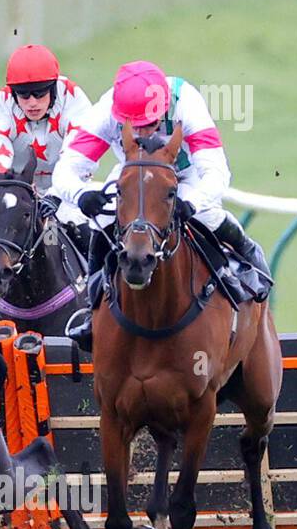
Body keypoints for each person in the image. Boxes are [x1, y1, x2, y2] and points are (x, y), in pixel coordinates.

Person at [52, 60, 271, 351]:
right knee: (102, 219)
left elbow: (217, 172)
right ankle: (93, 308)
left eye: (149, 124)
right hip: (137, 176)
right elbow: (65, 169)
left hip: (186, 176)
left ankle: (248, 260)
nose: (143, 134)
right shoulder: (106, 110)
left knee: (207, 215)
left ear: (164, 108)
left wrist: (191, 203)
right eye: (135, 126)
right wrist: (81, 194)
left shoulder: (185, 101)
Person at [0, 44, 91, 241]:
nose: (32, 103)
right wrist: (8, 182)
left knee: (73, 230)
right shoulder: (4, 100)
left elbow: (79, 153)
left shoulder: (73, 98)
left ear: (53, 88)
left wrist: (56, 195)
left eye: (39, 94)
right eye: (23, 95)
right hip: (21, 190)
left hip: (67, 192)